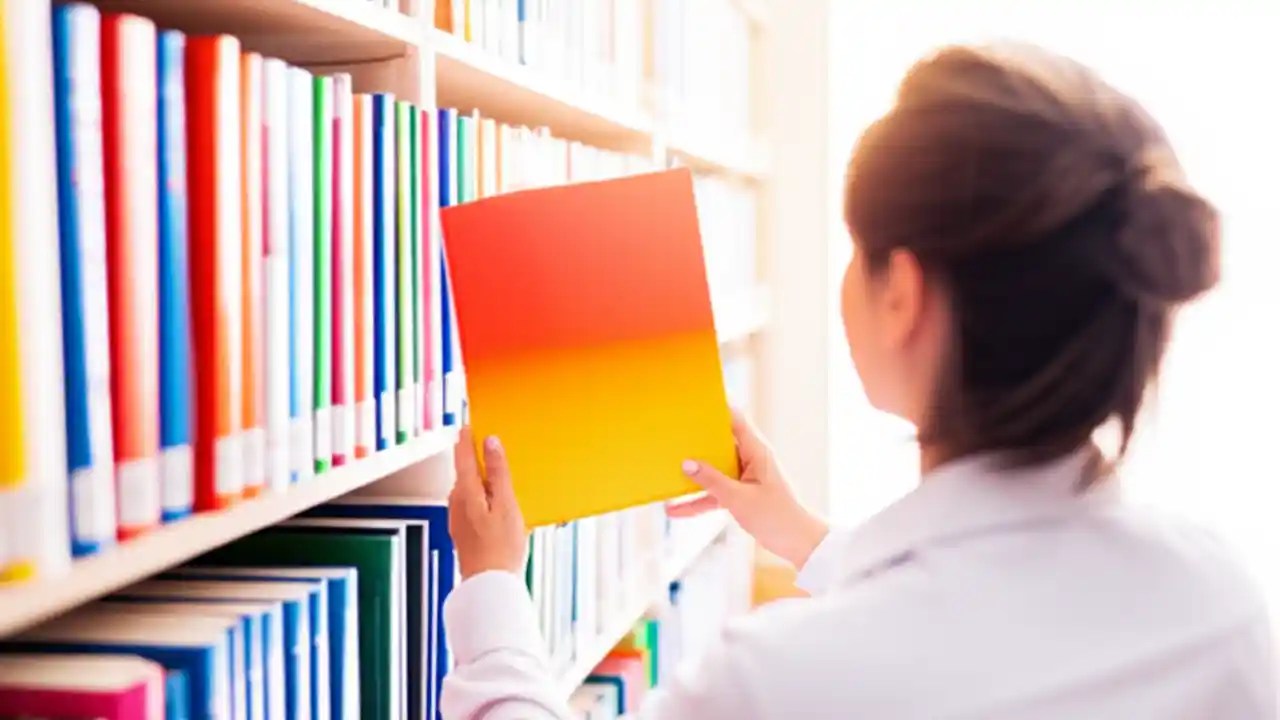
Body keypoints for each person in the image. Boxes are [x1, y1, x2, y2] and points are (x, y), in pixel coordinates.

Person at [439, 42, 1276, 719]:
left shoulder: (777, 683)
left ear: (902, 293)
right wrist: (803, 535)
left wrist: (491, 589)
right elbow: (982, 629)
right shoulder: (1222, 605)